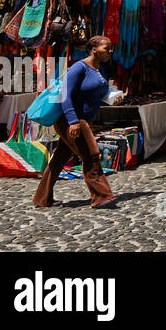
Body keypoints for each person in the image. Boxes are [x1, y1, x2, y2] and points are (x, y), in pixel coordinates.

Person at [33, 35, 116, 208]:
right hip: (72, 120)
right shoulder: (79, 68)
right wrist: (73, 121)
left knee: (59, 159)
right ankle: (101, 196)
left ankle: (42, 198)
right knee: (90, 154)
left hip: (81, 119)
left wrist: (112, 97)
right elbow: (65, 94)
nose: (110, 51)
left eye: (110, 48)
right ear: (94, 49)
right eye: (106, 48)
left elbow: (95, 93)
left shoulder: (100, 68)